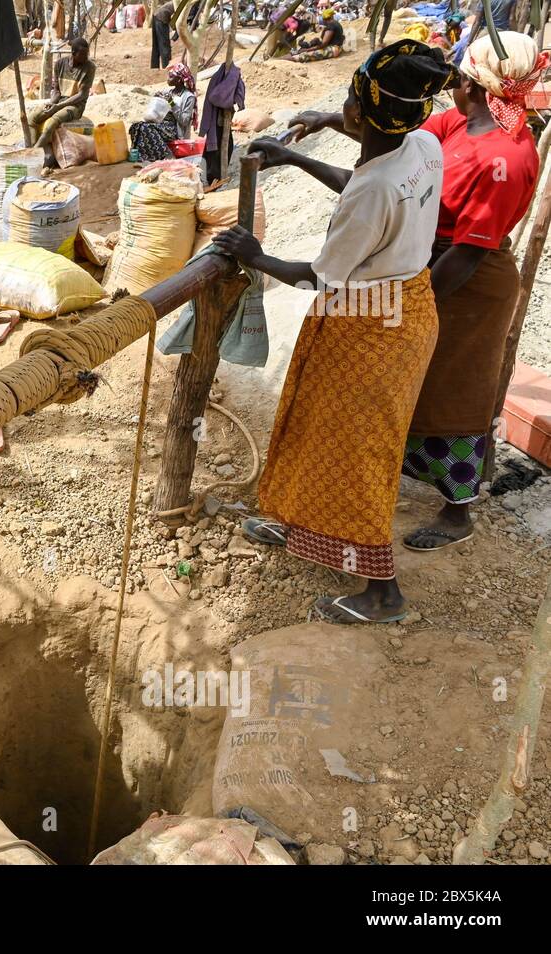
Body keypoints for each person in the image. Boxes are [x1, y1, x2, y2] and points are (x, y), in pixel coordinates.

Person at [215, 39, 455, 624]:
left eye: (347, 100)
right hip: (405, 310)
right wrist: (297, 155)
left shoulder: (372, 193)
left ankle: (383, 592)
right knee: (314, 420)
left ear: (357, 113)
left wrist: (256, 254)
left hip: (370, 327)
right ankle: (295, 516)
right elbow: (369, 177)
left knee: (359, 452)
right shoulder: (423, 143)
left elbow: (320, 277)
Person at [286, 32, 548, 553]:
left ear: (472, 86)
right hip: (427, 263)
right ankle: (394, 481)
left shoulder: (504, 158)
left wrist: (416, 299)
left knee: (456, 393)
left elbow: (470, 251)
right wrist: (328, 123)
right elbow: (397, 135)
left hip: (465, 281)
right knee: (410, 384)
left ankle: (457, 513)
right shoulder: (454, 125)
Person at [27, 37, 95, 150]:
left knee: (51, 124)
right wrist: (52, 103)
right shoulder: (60, 64)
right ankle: (31, 148)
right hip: (59, 102)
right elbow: (57, 91)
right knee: (32, 118)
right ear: (73, 53)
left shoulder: (90, 67)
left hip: (76, 106)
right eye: (83, 54)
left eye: (87, 53)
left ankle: (34, 152)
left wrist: (58, 106)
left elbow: (82, 94)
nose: (86, 57)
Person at [128, 63, 196, 163]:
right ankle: (141, 156)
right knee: (136, 126)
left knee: (147, 128)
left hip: (174, 129)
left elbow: (184, 121)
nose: (168, 78)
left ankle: (167, 155)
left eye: (171, 76)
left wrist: (172, 103)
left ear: (179, 80)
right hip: (161, 124)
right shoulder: (168, 91)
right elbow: (159, 111)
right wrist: (157, 99)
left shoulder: (188, 97)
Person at [151, 1, 174, 69]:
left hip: (156, 15)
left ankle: (154, 66)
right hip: (161, 18)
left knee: (156, 44)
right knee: (164, 44)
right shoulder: (185, 4)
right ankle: (166, 65)